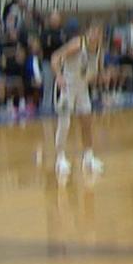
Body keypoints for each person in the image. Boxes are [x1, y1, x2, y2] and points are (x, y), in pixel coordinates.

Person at [51, 24, 106, 180]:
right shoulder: (77, 44)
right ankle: (60, 158)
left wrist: (101, 77)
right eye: (92, 32)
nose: (94, 36)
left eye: (98, 33)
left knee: (87, 122)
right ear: (87, 33)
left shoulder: (99, 51)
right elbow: (55, 58)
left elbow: (96, 73)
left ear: (101, 36)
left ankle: (88, 158)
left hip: (82, 88)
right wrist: (58, 76)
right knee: (65, 123)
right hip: (67, 87)